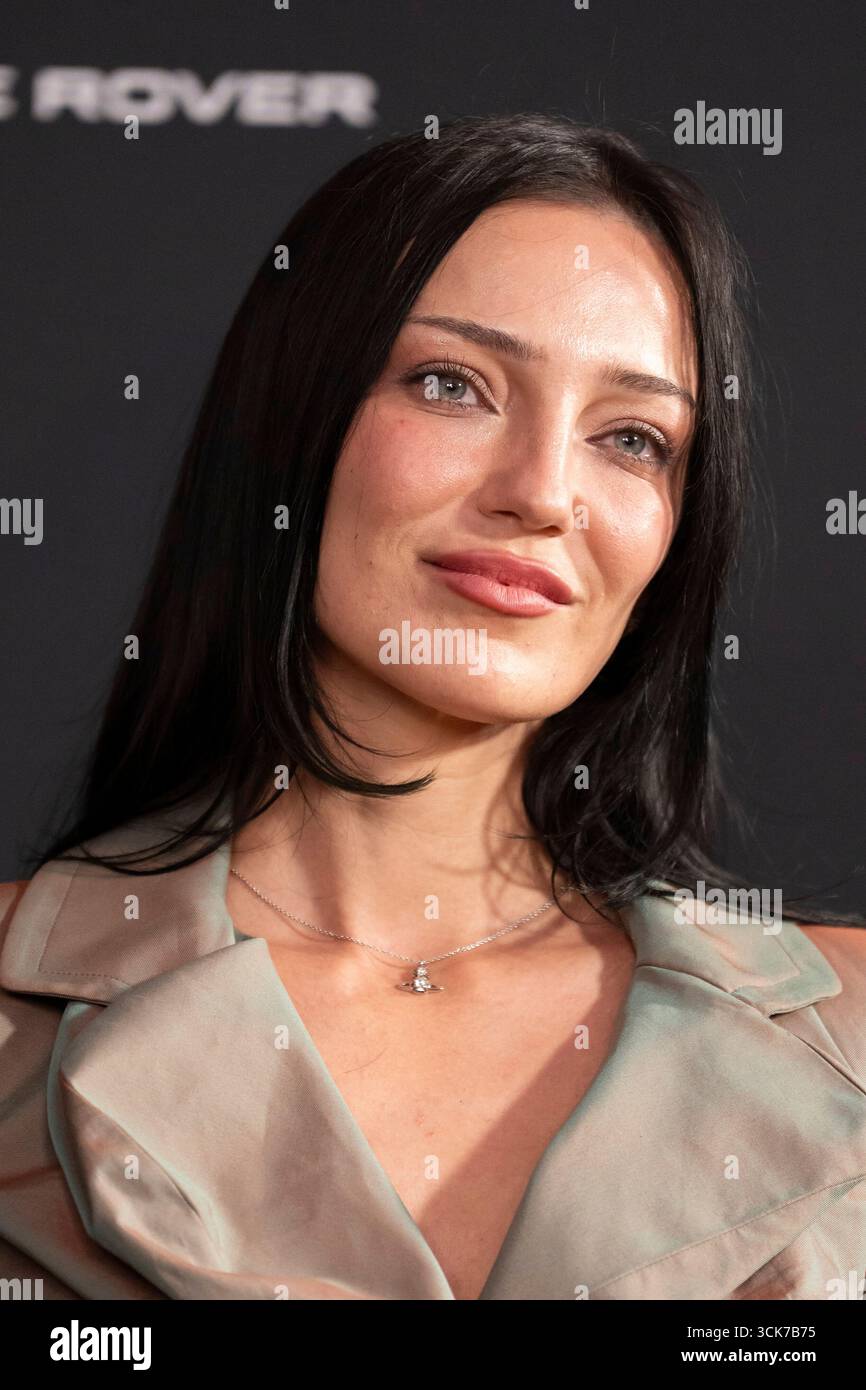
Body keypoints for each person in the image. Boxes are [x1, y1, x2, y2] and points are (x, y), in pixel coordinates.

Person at [1, 112, 865, 1302]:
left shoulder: (850, 1027)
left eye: (630, 437)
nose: (543, 494)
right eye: (451, 383)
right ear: (290, 424)